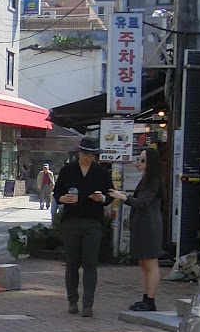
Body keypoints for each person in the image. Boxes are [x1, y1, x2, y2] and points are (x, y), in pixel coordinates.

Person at [54, 136, 113, 318]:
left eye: (93, 155)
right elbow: (57, 193)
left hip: (93, 221)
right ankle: (72, 301)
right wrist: (64, 199)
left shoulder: (102, 172)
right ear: (79, 153)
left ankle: (88, 304)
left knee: (90, 263)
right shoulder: (67, 170)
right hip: (71, 221)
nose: (89, 158)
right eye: (86, 154)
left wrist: (102, 199)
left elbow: (109, 194)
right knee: (72, 262)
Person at [109, 147, 166, 312]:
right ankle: (145, 297)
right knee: (143, 263)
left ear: (151, 163)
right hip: (142, 223)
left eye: (142, 160)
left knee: (151, 262)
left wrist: (123, 197)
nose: (138, 163)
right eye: (139, 159)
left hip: (150, 225)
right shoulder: (146, 180)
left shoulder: (154, 181)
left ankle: (151, 299)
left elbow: (143, 202)